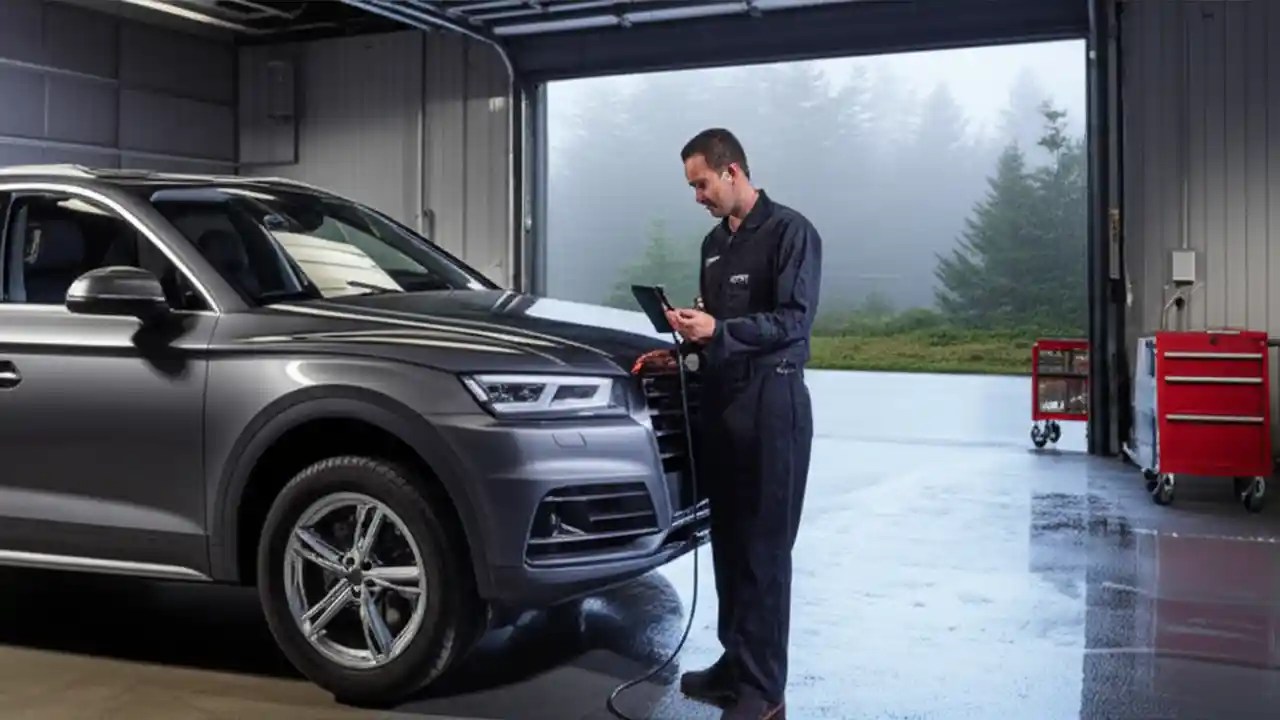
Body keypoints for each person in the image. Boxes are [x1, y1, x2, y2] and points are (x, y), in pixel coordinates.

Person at [651, 128, 821, 720]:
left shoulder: (791, 233)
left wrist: (719, 332)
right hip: (721, 405)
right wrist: (681, 342)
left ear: (732, 172)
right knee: (728, 544)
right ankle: (734, 664)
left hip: (774, 405)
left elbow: (794, 323)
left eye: (701, 183)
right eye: (692, 186)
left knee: (765, 552)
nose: (697, 195)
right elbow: (714, 327)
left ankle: (765, 691)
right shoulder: (712, 245)